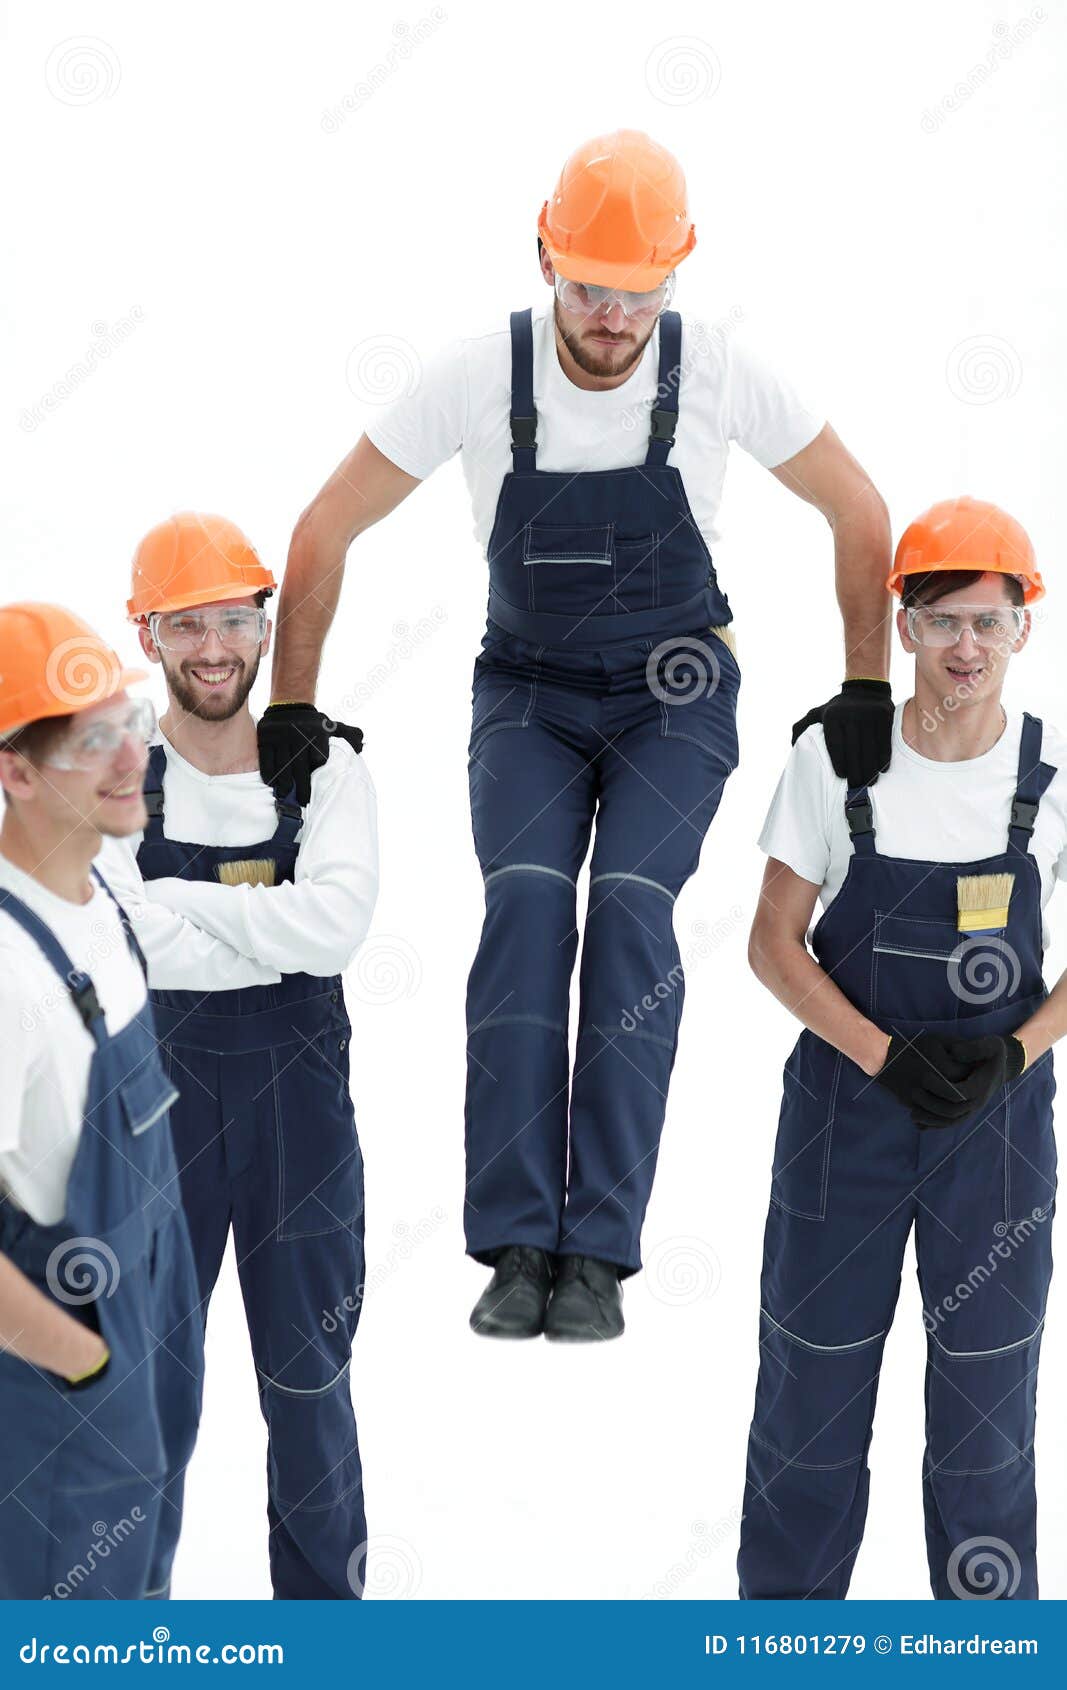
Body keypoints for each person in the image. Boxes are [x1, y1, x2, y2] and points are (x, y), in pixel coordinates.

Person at [259, 128, 892, 1342]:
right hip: (527, 698)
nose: (610, 315)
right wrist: (291, 703)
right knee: (528, 904)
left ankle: (595, 1251)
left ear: (676, 276)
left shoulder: (715, 371)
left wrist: (862, 685)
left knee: (633, 908)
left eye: (637, 291)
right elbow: (325, 527)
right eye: (588, 285)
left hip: (676, 696)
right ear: (542, 258)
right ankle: (511, 1245)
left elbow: (855, 507)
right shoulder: (473, 373)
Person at [738, 497, 1064, 1600]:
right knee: (808, 1407)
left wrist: (1016, 1053)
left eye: (986, 620)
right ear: (902, 627)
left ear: (1024, 624)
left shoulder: (1053, 777)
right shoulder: (836, 763)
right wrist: (880, 1054)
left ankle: (985, 1655)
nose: (963, 647)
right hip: (844, 1121)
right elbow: (770, 944)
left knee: (983, 1416)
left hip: (996, 1137)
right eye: (938, 622)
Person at [98, 512, 378, 1600]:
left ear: (264, 625)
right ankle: (118, 1635)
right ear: (147, 635)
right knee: (145, 1390)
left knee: (310, 1382)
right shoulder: (114, 767)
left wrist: (176, 905)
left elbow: (339, 928)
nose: (212, 647)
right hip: (155, 1109)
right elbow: (119, 935)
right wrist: (264, 920)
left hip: (299, 1115)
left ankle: (325, 1642)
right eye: (185, 625)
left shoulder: (330, 768)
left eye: (231, 618)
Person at [0, 603, 203, 1599]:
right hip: (63, 1377)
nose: (132, 758)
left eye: (132, 725)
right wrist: (82, 1367)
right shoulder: (6, 969)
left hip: (154, 1309)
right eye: (92, 741)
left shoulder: (105, 897)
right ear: (17, 771)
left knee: (139, 1591)